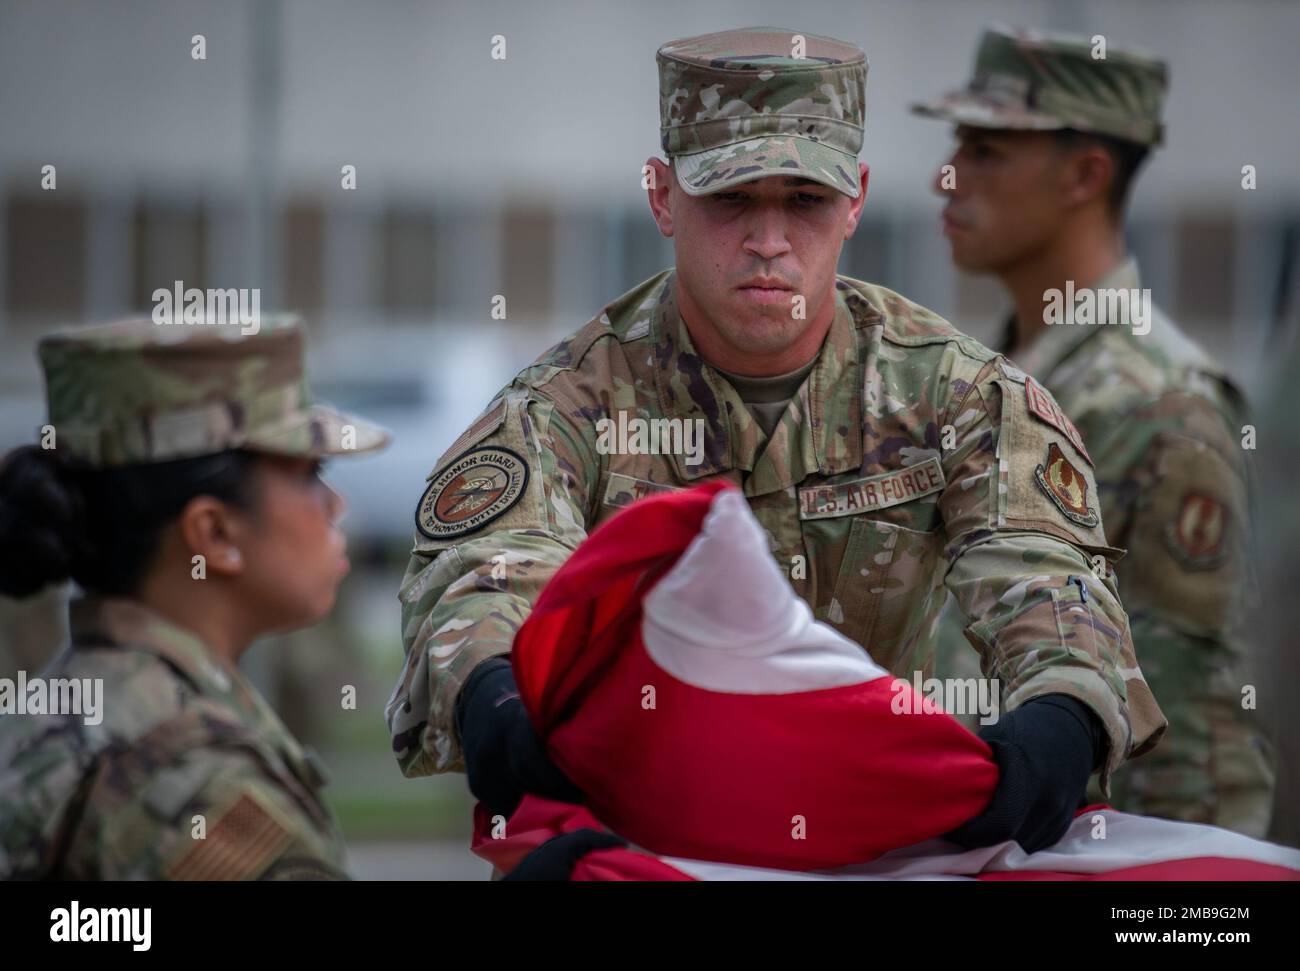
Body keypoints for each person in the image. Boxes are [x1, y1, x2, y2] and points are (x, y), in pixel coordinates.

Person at [386, 26, 1166, 865]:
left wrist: (1062, 713)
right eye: (729, 200)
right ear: (660, 197)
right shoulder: (565, 406)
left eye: (805, 200)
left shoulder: (959, 397)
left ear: (857, 200)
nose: (769, 240)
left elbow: (1044, 578)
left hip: (870, 841)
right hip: (646, 845)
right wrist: (491, 688)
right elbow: (488, 575)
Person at [913, 25, 1275, 835]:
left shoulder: (1161, 406)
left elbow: (1196, 725)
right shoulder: (983, 378)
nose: (948, 177)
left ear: (1085, 174)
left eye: (987, 151)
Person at [0, 315, 390, 879]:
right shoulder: (196, 780)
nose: (337, 506)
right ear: (214, 534)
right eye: (312, 473)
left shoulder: (57, 705)